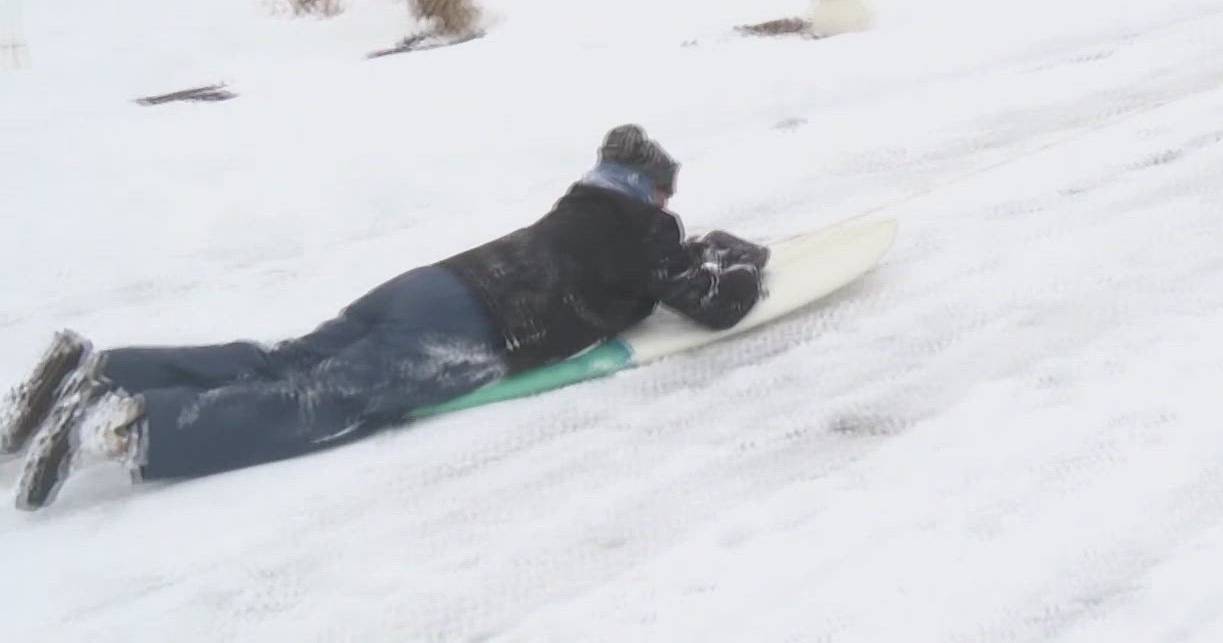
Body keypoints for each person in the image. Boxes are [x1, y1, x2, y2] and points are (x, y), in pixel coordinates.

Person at [0, 125, 768, 511]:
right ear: (652, 191)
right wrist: (740, 253)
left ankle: (97, 371)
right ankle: (123, 428)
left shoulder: (580, 205)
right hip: (469, 332)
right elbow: (718, 306)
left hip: (428, 286)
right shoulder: (647, 233)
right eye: (667, 195)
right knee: (316, 404)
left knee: (284, 361)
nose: (670, 205)